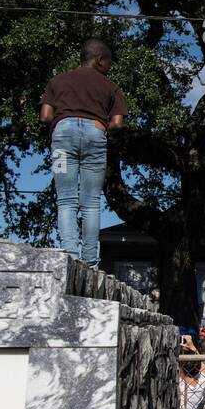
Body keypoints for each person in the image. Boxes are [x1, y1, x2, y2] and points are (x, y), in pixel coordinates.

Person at [39, 39, 128, 268]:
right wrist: (99, 126)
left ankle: (70, 255)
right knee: (91, 202)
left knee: (66, 199)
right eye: (108, 62)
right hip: (96, 137)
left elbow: (46, 116)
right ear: (99, 59)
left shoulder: (57, 80)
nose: (109, 67)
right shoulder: (111, 86)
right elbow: (118, 123)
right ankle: (90, 261)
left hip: (62, 138)